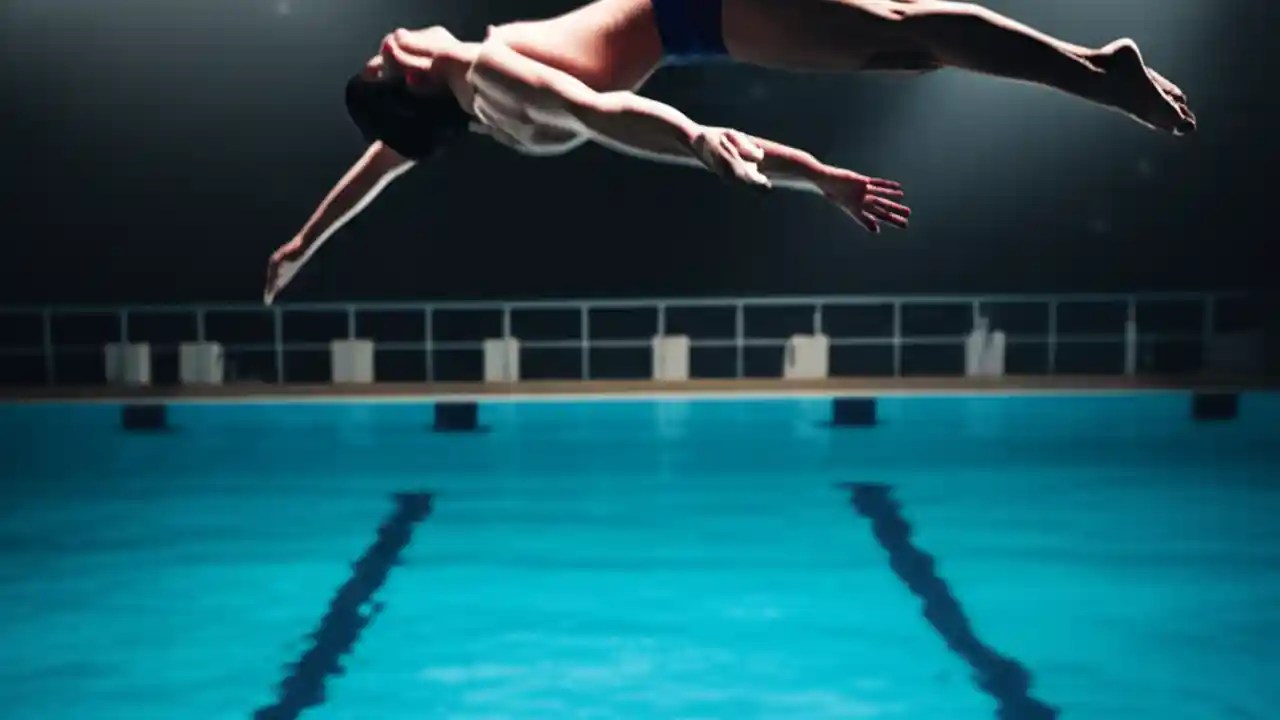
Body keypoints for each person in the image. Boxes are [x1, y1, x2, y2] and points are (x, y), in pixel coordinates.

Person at [264, 0, 1195, 304]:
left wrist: (306, 241)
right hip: (701, 14)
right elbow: (603, 113)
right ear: (413, 84)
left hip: (701, 22)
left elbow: (378, 166)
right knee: (907, 42)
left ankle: (1096, 73)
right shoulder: (489, 75)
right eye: (389, 55)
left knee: (911, 39)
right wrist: (709, 138)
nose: (392, 33)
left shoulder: (459, 109)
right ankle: (1095, 71)